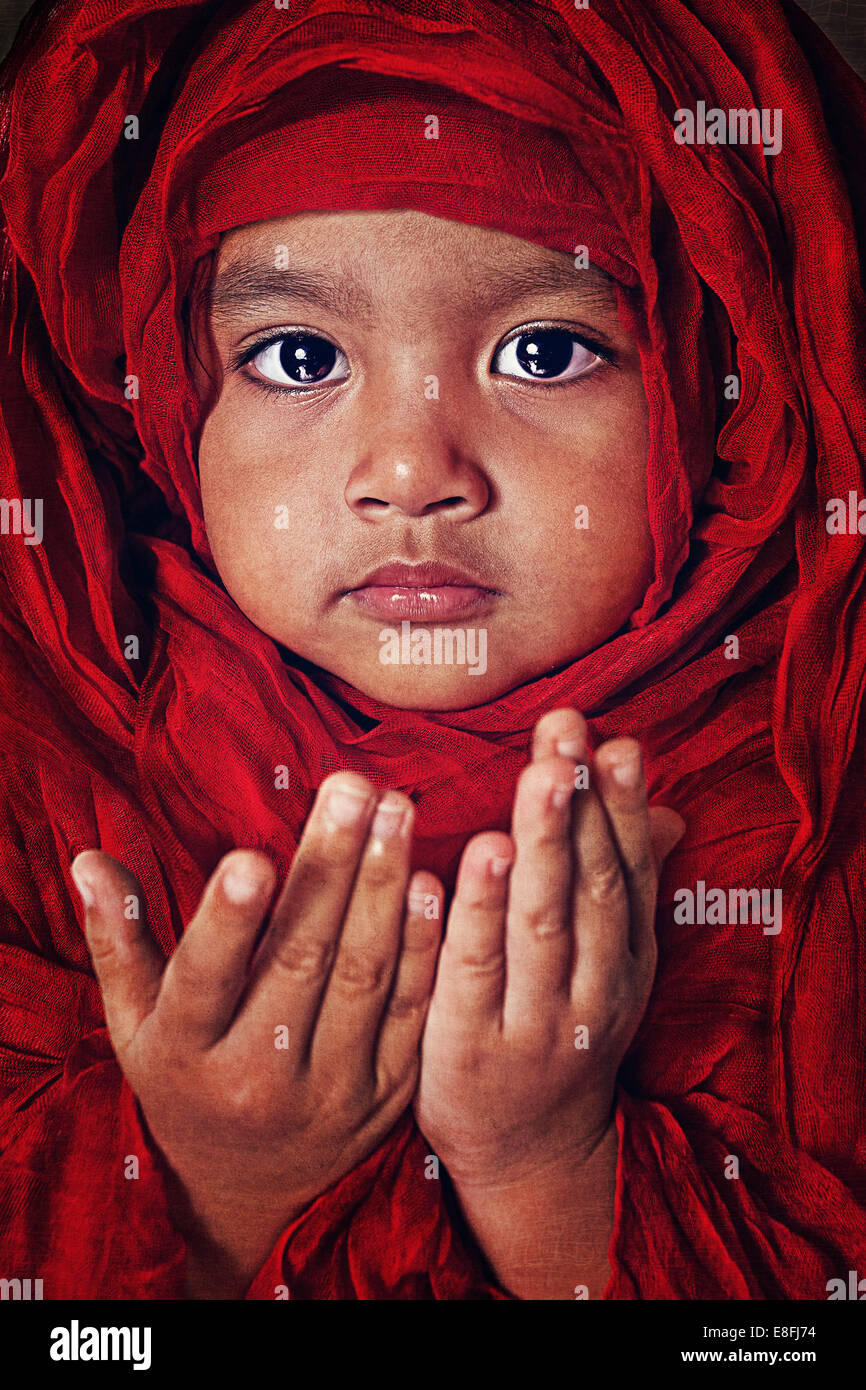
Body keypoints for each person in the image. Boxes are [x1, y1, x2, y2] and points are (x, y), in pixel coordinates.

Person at [1, 0, 865, 1301]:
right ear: (169, 399)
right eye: (297, 358)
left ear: (721, 384)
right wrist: (207, 1191)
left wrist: (546, 1169)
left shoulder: (820, 801)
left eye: (545, 349)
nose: (410, 472)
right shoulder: (49, 759)